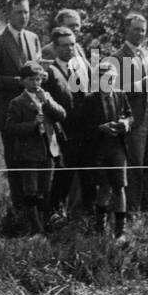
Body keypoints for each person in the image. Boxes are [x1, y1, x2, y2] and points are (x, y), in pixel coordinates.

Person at [0, 0, 42, 211]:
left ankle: (35, 209)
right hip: (9, 113)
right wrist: (17, 82)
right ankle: (19, 212)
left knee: (34, 161)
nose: (23, 17)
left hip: (33, 112)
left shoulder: (33, 38)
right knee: (15, 162)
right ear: (9, 13)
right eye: (18, 12)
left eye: (26, 12)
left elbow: (38, 70)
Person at [4, 62, 67, 234]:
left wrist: (47, 102)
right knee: (30, 189)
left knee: (44, 189)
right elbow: (11, 128)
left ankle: (42, 220)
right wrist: (32, 124)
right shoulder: (17, 102)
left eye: (39, 79)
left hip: (47, 150)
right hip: (28, 151)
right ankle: (35, 226)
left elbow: (61, 114)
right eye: (31, 80)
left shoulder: (45, 96)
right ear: (23, 81)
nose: (36, 83)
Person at [73, 61, 133, 239]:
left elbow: (130, 115)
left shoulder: (120, 96)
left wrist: (126, 123)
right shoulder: (90, 99)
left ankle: (120, 231)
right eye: (105, 79)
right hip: (98, 149)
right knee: (104, 187)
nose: (109, 82)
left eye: (112, 79)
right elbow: (82, 126)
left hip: (117, 148)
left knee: (120, 186)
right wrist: (100, 127)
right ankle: (100, 226)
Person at [113, 13, 148, 213]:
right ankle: (131, 209)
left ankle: (146, 205)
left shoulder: (145, 54)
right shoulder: (118, 57)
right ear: (126, 30)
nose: (140, 34)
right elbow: (117, 90)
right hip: (133, 116)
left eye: (143, 30)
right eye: (136, 29)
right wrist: (141, 85)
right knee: (135, 164)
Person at [42, 26, 86, 220]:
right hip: (60, 130)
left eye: (72, 45)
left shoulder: (79, 68)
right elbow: (46, 104)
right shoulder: (50, 72)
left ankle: (71, 212)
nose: (69, 49)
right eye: (64, 46)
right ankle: (52, 212)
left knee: (77, 173)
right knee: (61, 174)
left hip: (79, 130)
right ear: (55, 47)